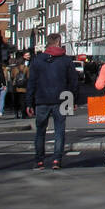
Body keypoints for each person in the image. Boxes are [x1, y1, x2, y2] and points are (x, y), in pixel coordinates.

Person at [26, 34, 79, 169]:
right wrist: (73, 99)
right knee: (59, 130)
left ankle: (39, 160)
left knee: (40, 131)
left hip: (41, 99)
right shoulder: (66, 61)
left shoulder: (37, 60)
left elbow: (31, 82)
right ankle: (57, 160)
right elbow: (73, 82)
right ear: (58, 42)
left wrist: (29, 103)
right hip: (61, 99)